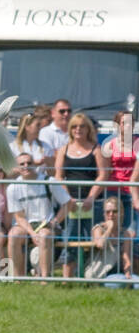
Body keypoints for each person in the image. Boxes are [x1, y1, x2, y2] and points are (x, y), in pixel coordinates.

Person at [54, 113, 106, 279]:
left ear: (88, 129)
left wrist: (90, 197)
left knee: (93, 240)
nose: (78, 129)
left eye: (82, 126)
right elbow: (59, 176)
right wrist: (67, 198)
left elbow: (102, 175)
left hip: (93, 203)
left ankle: (91, 278)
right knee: (70, 240)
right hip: (70, 205)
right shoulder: (63, 150)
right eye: (75, 126)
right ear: (70, 130)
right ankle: (66, 280)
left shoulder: (96, 149)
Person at [6, 154, 69, 278]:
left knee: (44, 235)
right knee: (13, 235)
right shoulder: (12, 187)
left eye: (29, 163)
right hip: (26, 227)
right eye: (22, 164)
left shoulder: (48, 181)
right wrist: (32, 233)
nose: (26, 166)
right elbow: (19, 216)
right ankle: (17, 278)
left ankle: (45, 278)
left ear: (35, 165)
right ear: (17, 168)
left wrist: (55, 222)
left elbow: (67, 204)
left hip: (48, 225)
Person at [102, 110, 138, 233]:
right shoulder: (109, 145)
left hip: (132, 191)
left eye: (130, 122)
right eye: (124, 123)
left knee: (131, 228)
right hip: (113, 190)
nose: (128, 125)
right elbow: (105, 172)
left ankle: (131, 251)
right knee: (112, 226)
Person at [89, 196, 134, 279]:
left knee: (135, 282)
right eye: (108, 212)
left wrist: (128, 274)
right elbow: (100, 244)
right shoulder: (98, 229)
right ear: (103, 214)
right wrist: (109, 228)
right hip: (102, 272)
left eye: (115, 211)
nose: (111, 214)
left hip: (119, 271)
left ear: (121, 213)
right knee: (120, 281)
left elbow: (126, 256)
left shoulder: (125, 233)